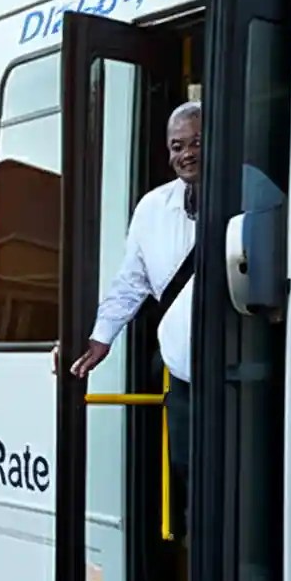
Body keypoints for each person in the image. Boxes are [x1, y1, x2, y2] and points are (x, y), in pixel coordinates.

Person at [54, 99, 201, 534]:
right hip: (185, 380)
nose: (187, 154)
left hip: (243, 378)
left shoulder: (254, 193)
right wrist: (100, 338)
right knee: (189, 482)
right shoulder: (153, 208)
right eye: (177, 146)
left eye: (197, 142)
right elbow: (131, 282)